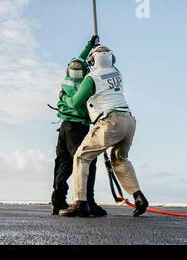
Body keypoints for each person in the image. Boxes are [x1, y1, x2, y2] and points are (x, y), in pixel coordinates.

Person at [60, 44, 149, 217]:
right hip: (129, 121)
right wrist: (96, 48)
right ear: (112, 59)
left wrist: (65, 97)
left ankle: (80, 202)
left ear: (93, 61)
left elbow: (76, 102)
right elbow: (106, 61)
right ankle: (139, 197)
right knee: (120, 158)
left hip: (110, 121)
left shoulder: (92, 77)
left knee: (81, 156)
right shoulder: (117, 73)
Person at [50, 36, 106, 216]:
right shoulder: (84, 83)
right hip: (78, 127)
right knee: (86, 162)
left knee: (63, 164)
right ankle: (88, 201)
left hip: (65, 127)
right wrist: (99, 59)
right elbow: (77, 101)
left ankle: (58, 201)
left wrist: (90, 45)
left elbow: (80, 59)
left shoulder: (67, 77)